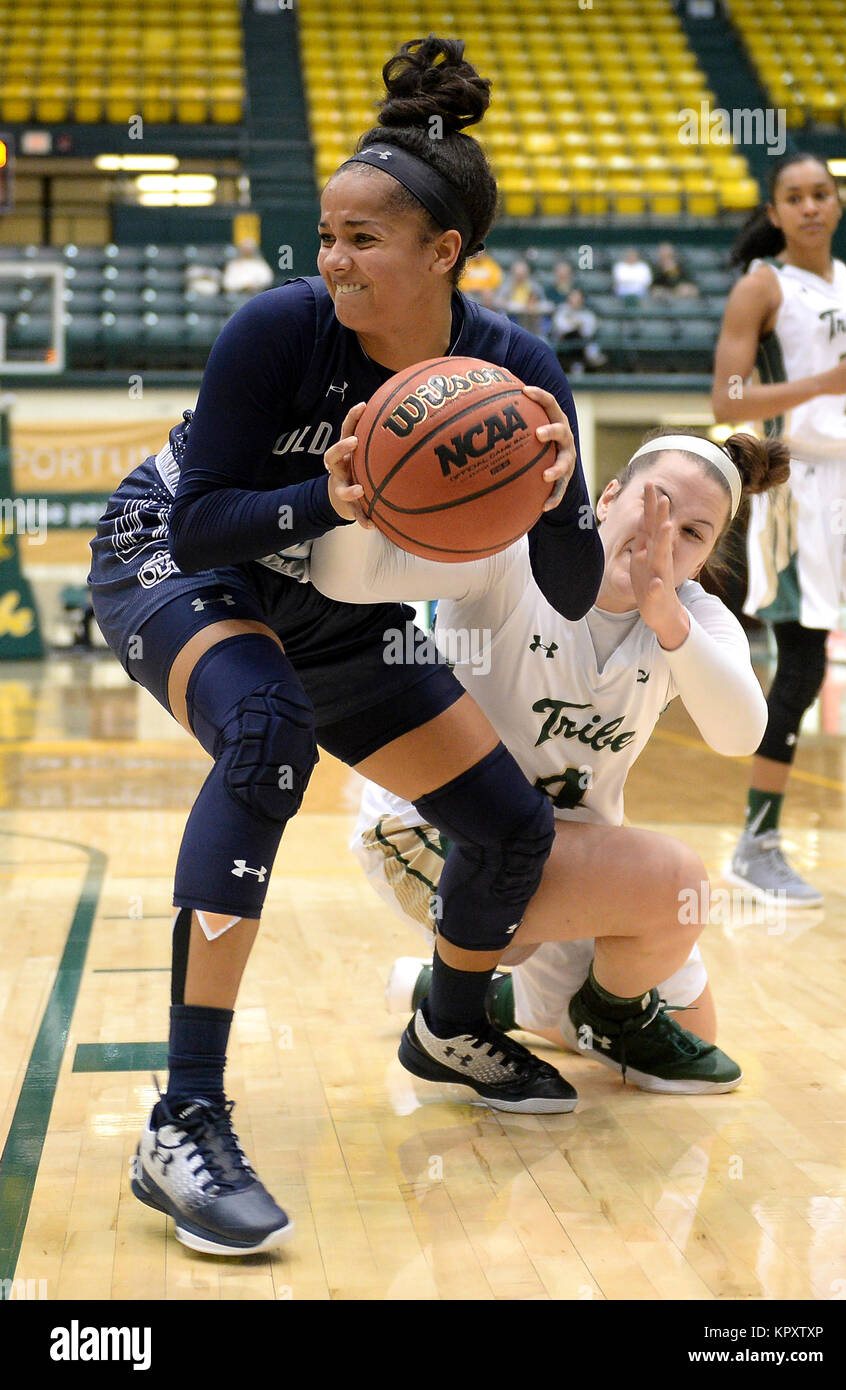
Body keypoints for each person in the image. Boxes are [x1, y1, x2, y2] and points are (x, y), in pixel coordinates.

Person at [85, 35, 602, 1256]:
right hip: (178, 552)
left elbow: (574, 588)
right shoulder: (279, 331)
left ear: (445, 252)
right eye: (327, 234)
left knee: (511, 824)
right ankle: (184, 1118)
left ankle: (449, 1023)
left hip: (336, 601)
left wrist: (567, 490)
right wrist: (339, 494)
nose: (333, 259)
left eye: (363, 239)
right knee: (268, 734)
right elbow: (208, 515)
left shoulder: (517, 372)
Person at [311, 428, 788, 1092]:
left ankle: (494, 998)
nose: (662, 539)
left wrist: (665, 618)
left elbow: (740, 733)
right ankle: (530, 997)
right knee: (676, 884)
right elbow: (346, 576)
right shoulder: (513, 553)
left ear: (709, 552)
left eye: (692, 534)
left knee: (696, 1028)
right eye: (654, 508)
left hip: (569, 854)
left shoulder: (693, 618)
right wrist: (346, 500)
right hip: (437, 833)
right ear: (609, 496)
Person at [712, 151, 846, 907]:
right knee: (803, 664)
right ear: (774, 213)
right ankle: (757, 841)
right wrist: (819, 383)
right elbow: (729, 397)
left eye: (820, 194)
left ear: (837, 204)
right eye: (793, 197)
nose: (809, 206)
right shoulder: (763, 285)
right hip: (800, 482)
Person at [550, 287, 607, 370]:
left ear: (582, 299)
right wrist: (578, 324)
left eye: (578, 297)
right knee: (572, 335)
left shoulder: (588, 314)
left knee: (580, 337)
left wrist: (573, 323)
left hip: (582, 348)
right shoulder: (561, 311)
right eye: (573, 297)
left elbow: (588, 332)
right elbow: (561, 327)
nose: (575, 300)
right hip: (563, 347)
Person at [497, 257, 553, 334]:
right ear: (513, 273)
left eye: (523, 274)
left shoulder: (535, 287)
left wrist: (534, 307)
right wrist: (519, 307)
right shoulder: (506, 286)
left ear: (527, 273)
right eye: (517, 274)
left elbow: (544, 304)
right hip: (513, 318)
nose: (520, 277)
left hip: (532, 319)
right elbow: (499, 302)